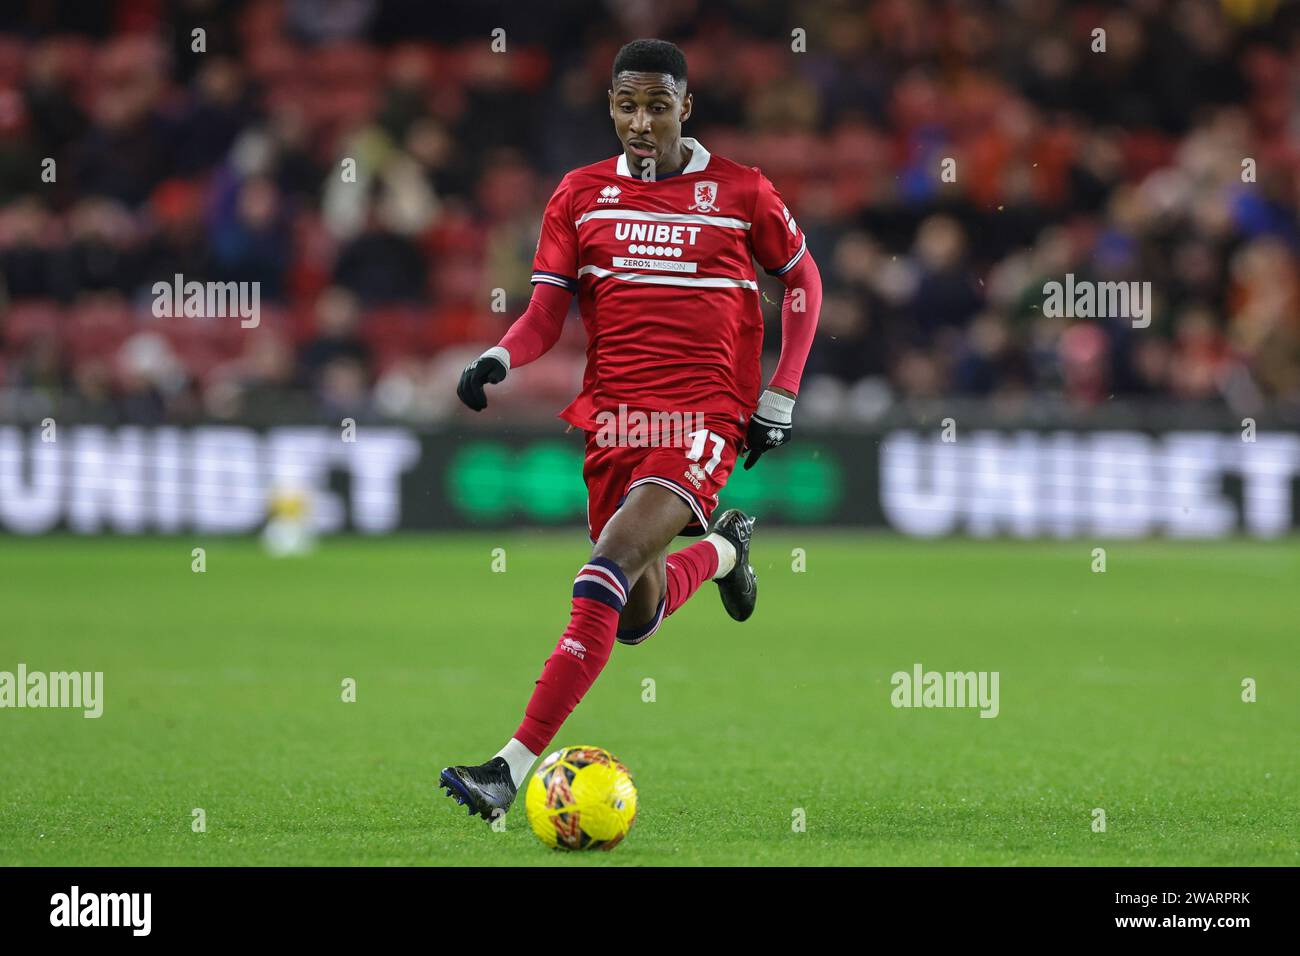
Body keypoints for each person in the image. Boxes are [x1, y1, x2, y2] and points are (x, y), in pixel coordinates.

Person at [440, 39, 822, 820]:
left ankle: (506, 770)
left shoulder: (742, 192)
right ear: (610, 107)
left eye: (656, 104)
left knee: (604, 569)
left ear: (686, 106)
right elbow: (545, 314)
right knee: (634, 613)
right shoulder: (580, 196)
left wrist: (778, 396)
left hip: (703, 417)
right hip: (614, 420)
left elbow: (805, 283)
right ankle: (722, 552)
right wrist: (496, 359)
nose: (640, 122)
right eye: (625, 105)